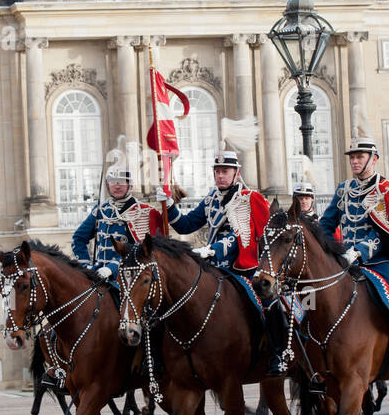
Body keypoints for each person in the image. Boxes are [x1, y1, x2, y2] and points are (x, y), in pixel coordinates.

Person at [319, 133, 389, 387]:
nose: (355, 162)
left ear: (374, 159)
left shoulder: (387, 191)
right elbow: (327, 225)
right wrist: (321, 246)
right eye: (352, 157)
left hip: (380, 262)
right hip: (346, 263)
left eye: (360, 156)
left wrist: (359, 250)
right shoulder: (344, 190)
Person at [169, 148, 274, 361]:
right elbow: (185, 225)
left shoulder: (249, 199)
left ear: (237, 173)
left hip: (242, 266)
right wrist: (170, 206)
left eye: (225, 171)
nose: (220, 175)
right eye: (217, 171)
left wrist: (212, 249)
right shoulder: (210, 199)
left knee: (268, 303)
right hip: (212, 267)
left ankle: (275, 352)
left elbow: (242, 234)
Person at [72, 144, 171, 283]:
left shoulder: (144, 212)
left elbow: (143, 251)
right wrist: (86, 266)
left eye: (121, 182)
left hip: (129, 278)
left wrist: (112, 268)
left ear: (130, 185)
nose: (116, 185)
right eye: (112, 182)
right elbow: (78, 239)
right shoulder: (100, 211)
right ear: (107, 185)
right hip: (98, 276)